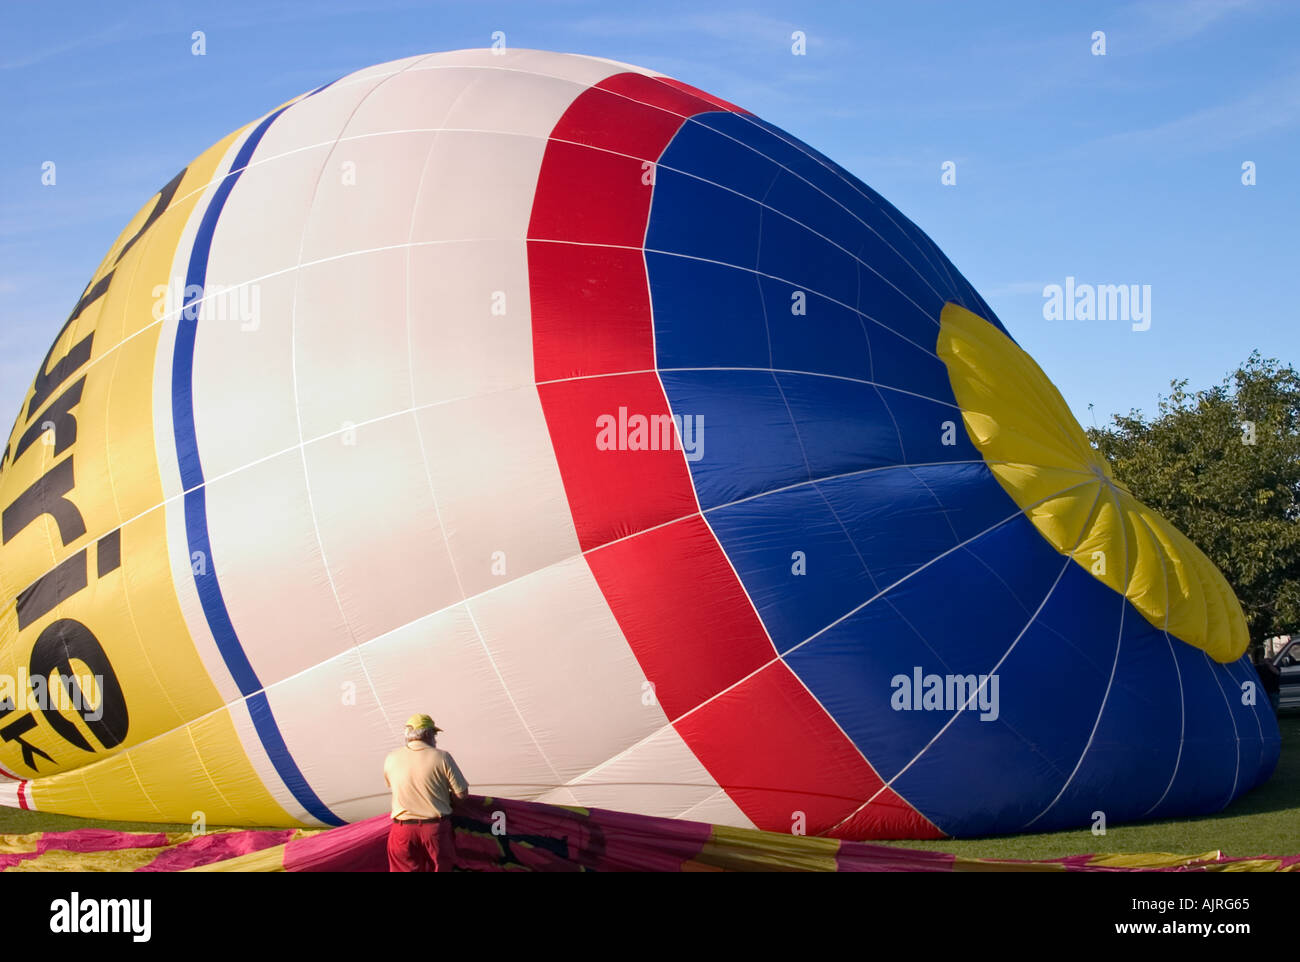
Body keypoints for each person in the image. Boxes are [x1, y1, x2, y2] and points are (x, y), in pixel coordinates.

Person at [383, 713, 468, 872]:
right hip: (435, 829)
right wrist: (444, 798)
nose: (435, 738)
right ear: (428, 734)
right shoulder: (442, 757)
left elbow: (396, 787)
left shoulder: (391, 758)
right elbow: (462, 794)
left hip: (402, 830)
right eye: (434, 734)